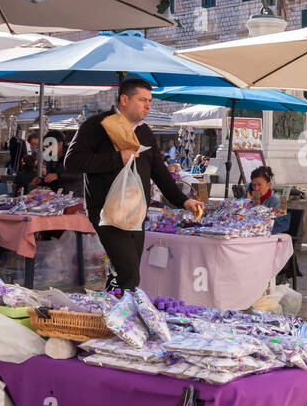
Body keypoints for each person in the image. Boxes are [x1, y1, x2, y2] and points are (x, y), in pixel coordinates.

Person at [64, 77, 204, 291]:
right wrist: (116, 158)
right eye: (142, 100)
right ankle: (125, 319)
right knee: (129, 271)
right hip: (106, 212)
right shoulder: (97, 125)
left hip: (136, 212)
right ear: (124, 99)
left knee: (123, 270)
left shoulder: (145, 131)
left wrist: (183, 201)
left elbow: (159, 171)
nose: (149, 105)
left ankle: (109, 312)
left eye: (150, 100)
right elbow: (72, 162)